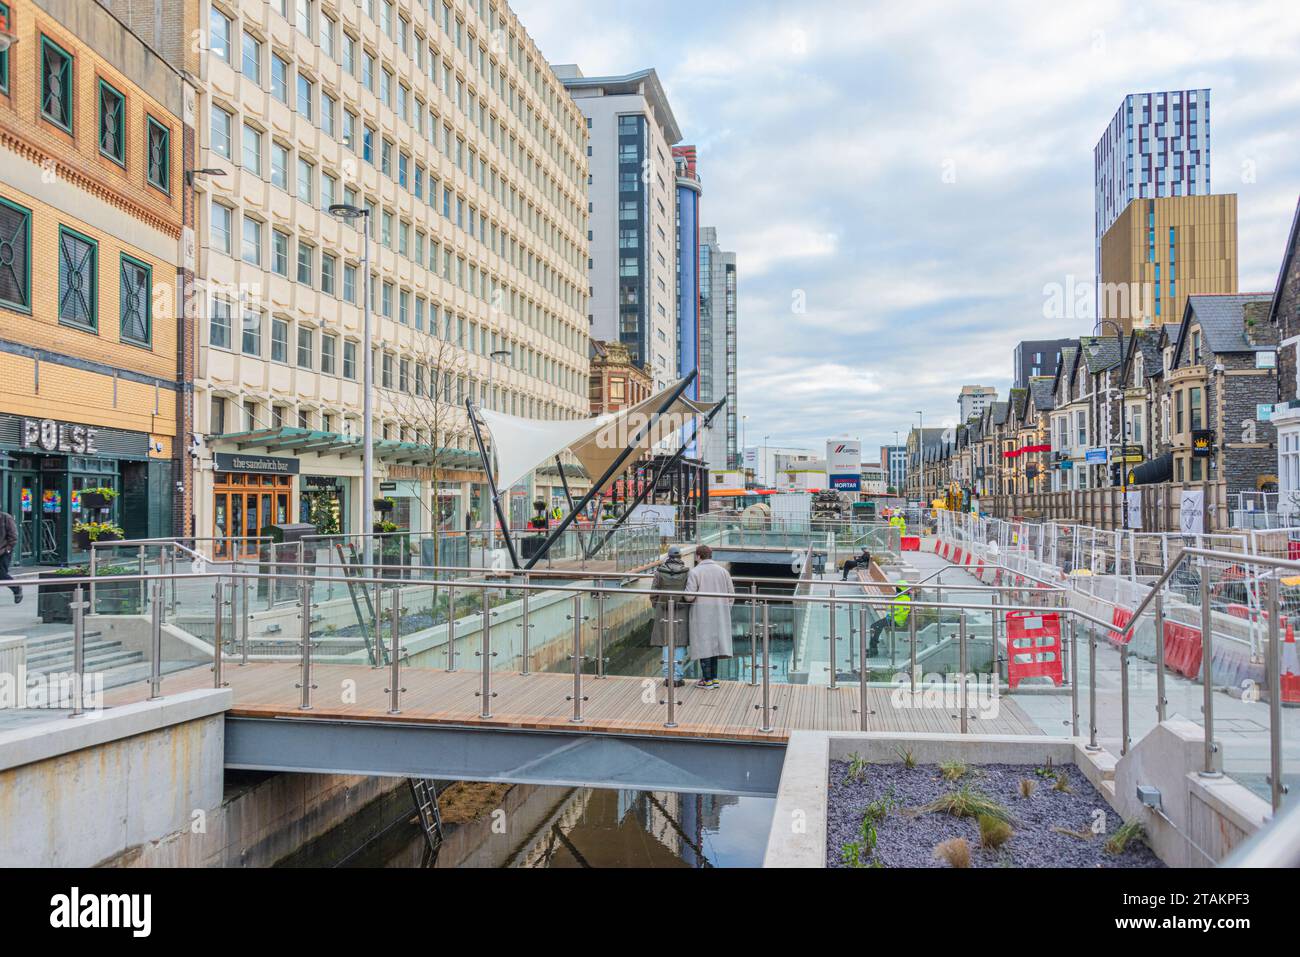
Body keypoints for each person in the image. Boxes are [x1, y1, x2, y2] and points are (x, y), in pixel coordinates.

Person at [684, 544, 734, 689]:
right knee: (715, 647)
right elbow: (731, 595)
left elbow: (689, 597)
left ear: (698, 556)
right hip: (720, 614)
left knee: (704, 646)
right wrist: (725, 609)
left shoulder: (695, 572)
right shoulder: (723, 572)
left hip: (702, 614)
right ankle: (714, 679)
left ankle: (706, 680)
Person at [650, 546, 690, 687]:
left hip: (663, 610)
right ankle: (677, 677)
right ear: (680, 557)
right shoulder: (687, 572)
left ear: (668, 556)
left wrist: (658, 606)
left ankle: (667, 677)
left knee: (666, 642)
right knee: (679, 642)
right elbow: (689, 594)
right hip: (681, 611)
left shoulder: (659, 572)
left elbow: (653, 593)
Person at [868, 581, 911, 656]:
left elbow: (893, 610)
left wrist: (889, 609)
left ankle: (873, 650)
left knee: (874, 627)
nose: (896, 590)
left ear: (900, 589)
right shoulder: (902, 597)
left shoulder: (903, 598)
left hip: (896, 621)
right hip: (893, 619)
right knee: (875, 626)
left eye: (897, 588)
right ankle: (873, 648)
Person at [0, 510, 20, 604]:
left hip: (3, 552)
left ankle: (16, 588)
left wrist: (8, 549)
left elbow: (13, 536)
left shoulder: (6, 518)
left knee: (2, 574)